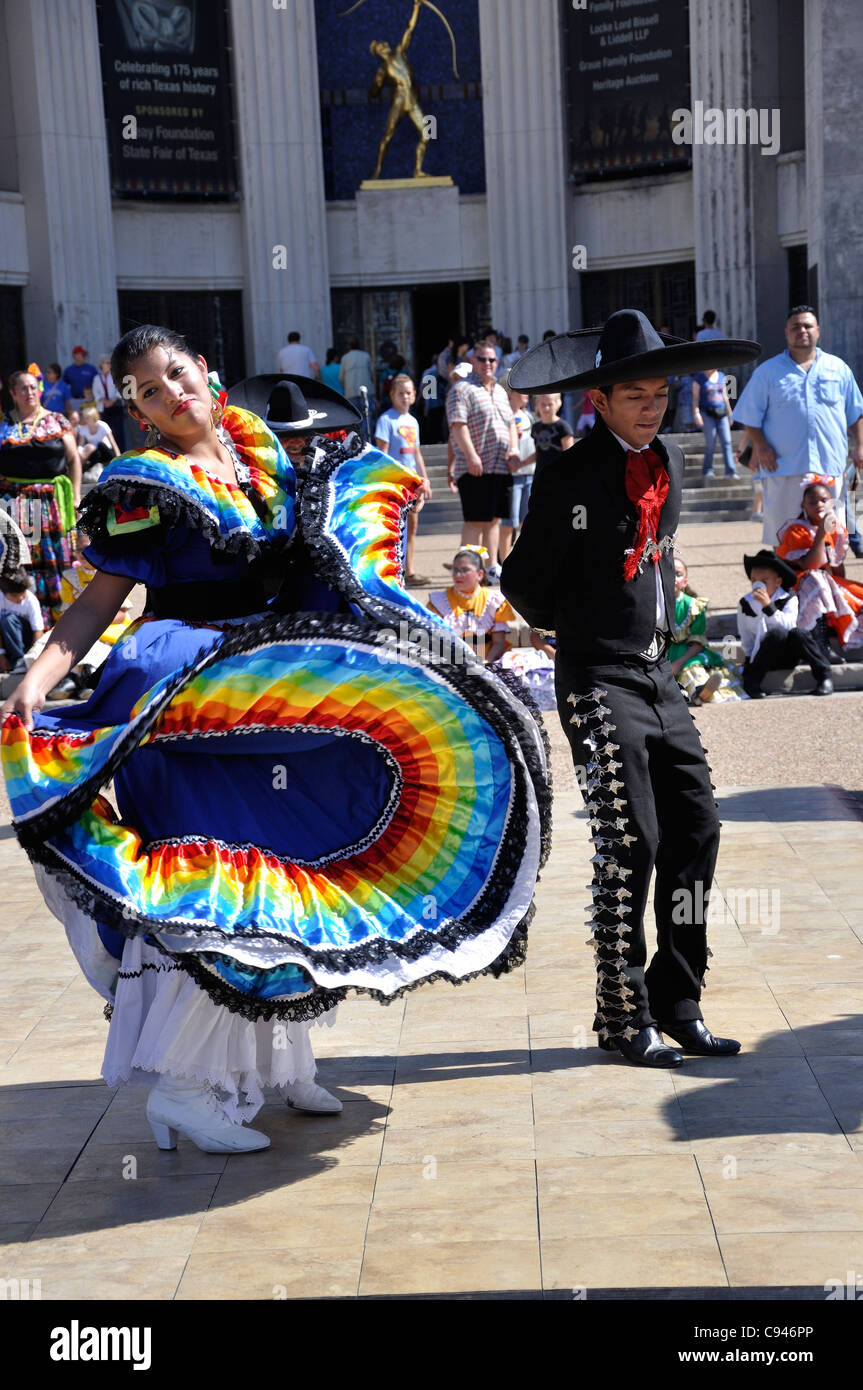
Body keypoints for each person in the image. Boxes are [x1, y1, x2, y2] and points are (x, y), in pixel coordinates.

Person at [2, 327, 549, 1154]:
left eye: (175, 375)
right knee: (217, 883)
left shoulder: (270, 461)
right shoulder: (144, 485)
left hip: (283, 692)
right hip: (189, 704)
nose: (169, 394)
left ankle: (277, 1060)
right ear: (134, 411)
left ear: (205, 372)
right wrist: (33, 684)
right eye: (147, 391)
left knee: (299, 865)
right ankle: (184, 1088)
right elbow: (90, 605)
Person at [504, 307, 760, 1066]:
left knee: (696, 829)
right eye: (636, 396)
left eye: (660, 394)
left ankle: (677, 999)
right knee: (632, 841)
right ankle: (621, 1016)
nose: (652, 407)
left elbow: (659, 550)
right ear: (601, 402)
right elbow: (523, 586)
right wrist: (586, 621)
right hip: (595, 674)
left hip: (657, 674)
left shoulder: (672, 462)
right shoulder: (566, 473)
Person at [733, 305, 863, 546]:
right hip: (783, 466)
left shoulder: (838, 369)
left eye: (807, 326)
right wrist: (760, 446)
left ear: (818, 331)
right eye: (795, 327)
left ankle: (830, 583)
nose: (802, 330)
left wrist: (860, 446)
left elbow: (856, 412)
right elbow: (750, 415)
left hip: (828, 466)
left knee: (832, 540)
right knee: (785, 538)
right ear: (786, 333)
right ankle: (786, 583)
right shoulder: (768, 372)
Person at [0, 368, 82, 620]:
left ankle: (60, 612)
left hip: (51, 503)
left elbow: (74, 460)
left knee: (53, 554)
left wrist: (76, 496)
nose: (29, 393)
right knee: (24, 554)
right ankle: (32, 615)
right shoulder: (4, 426)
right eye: (23, 388)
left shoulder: (57, 421)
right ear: (13, 393)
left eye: (33, 387)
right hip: (15, 503)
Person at [447, 340, 520, 582]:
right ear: (472, 361)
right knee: (475, 520)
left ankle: (490, 569)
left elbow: (510, 425)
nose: (487, 364)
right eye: (481, 359)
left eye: (491, 359)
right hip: (476, 466)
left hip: (501, 465)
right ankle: (465, 571)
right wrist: (470, 455)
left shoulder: (500, 392)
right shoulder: (461, 389)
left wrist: (514, 450)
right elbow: (458, 425)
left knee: (494, 520)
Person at [776, 478, 863, 658]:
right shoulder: (796, 530)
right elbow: (810, 565)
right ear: (804, 506)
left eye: (824, 500)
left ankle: (841, 630)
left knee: (850, 594)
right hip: (801, 584)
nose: (819, 505)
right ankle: (821, 646)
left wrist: (842, 589)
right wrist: (821, 533)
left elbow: (836, 567)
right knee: (817, 579)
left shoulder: (836, 530)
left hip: (826, 582)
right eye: (812, 502)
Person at [737, 548, 832, 698]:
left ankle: (824, 676)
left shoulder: (788, 598)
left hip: (788, 654)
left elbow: (788, 626)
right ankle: (753, 682)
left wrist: (768, 607)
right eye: (754, 581)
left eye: (763, 582)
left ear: (777, 582)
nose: (757, 585)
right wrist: (749, 660)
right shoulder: (745, 603)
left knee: (797, 633)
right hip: (763, 655)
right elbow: (746, 635)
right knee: (774, 635)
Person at [374, 372, 431, 586]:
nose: (405, 397)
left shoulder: (413, 421)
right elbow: (383, 454)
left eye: (408, 393)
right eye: (400, 393)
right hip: (395, 482)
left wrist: (425, 479)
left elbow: (416, 453)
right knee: (394, 527)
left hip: (412, 483)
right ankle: (392, 570)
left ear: (415, 395)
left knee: (412, 526)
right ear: (392, 395)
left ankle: (410, 570)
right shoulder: (386, 420)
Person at [668, 557, 743, 704]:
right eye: (669, 573)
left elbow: (697, 643)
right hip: (664, 652)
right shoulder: (655, 606)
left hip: (688, 652)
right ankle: (695, 693)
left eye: (678, 574)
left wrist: (679, 663)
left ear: (685, 581)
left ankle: (701, 692)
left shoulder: (694, 606)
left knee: (692, 667)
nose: (673, 579)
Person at [426, 546, 515, 664]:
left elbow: (499, 642)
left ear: (480, 574)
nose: (458, 574)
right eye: (455, 570)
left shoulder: (494, 601)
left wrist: (485, 662)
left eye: (464, 570)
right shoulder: (439, 602)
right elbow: (433, 641)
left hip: (487, 661)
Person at [692, 367, 738, 477]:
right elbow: (695, 398)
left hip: (721, 412)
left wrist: (730, 413)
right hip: (706, 413)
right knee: (711, 442)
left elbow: (725, 397)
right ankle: (708, 470)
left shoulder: (721, 376)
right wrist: (696, 413)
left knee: (726, 441)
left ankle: (730, 471)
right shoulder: (699, 378)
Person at [0, 568, 45, 674]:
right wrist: (1, 655)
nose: (20, 598)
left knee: (9, 620)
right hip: (6, 641)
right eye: (14, 596)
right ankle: (15, 660)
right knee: (7, 620)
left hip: (27, 640)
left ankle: (20, 661)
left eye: (22, 593)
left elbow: (38, 631)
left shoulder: (31, 600)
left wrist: (34, 656)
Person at [505, 386, 535, 537]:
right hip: (511, 474)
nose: (527, 395)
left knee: (526, 520)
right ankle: (501, 557)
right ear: (511, 394)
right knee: (510, 522)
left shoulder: (528, 415)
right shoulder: (504, 414)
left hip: (529, 472)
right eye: (522, 391)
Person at [531, 393, 574, 479]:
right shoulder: (535, 428)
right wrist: (521, 463)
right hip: (539, 477)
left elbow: (570, 457)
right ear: (537, 404)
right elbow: (538, 453)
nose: (546, 408)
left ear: (558, 404)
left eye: (550, 404)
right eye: (543, 404)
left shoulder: (563, 427)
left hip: (558, 477)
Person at [339, 336, 375, 435]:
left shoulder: (345, 358)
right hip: (366, 392)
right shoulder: (366, 356)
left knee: (355, 419)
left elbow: (341, 377)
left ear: (349, 346)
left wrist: (346, 388)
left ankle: (358, 441)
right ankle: (367, 440)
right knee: (368, 417)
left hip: (351, 392)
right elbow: (372, 374)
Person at [91, 355, 127, 453]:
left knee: (119, 432)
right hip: (104, 409)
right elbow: (96, 393)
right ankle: (109, 455)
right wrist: (104, 401)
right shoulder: (97, 378)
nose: (109, 364)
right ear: (101, 365)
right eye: (106, 363)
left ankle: (121, 453)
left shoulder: (115, 375)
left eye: (109, 362)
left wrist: (112, 401)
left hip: (116, 407)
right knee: (106, 432)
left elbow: (120, 389)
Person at [76, 403, 121, 480]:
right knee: (91, 448)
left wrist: (119, 458)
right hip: (95, 454)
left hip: (107, 452)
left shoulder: (103, 425)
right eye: (85, 417)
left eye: (87, 418)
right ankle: (80, 472)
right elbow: (80, 445)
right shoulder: (83, 428)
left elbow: (113, 443)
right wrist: (79, 453)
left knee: (100, 445)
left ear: (93, 417)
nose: (85, 420)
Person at [62, 346, 99, 413]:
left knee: (90, 419)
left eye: (84, 355)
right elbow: (63, 386)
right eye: (82, 354)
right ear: (75, 356)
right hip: (74, 400)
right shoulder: (69, 370)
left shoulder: (91, 369)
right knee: (76, 420)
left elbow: (98, 384)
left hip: (89, 399)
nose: (84, 356)